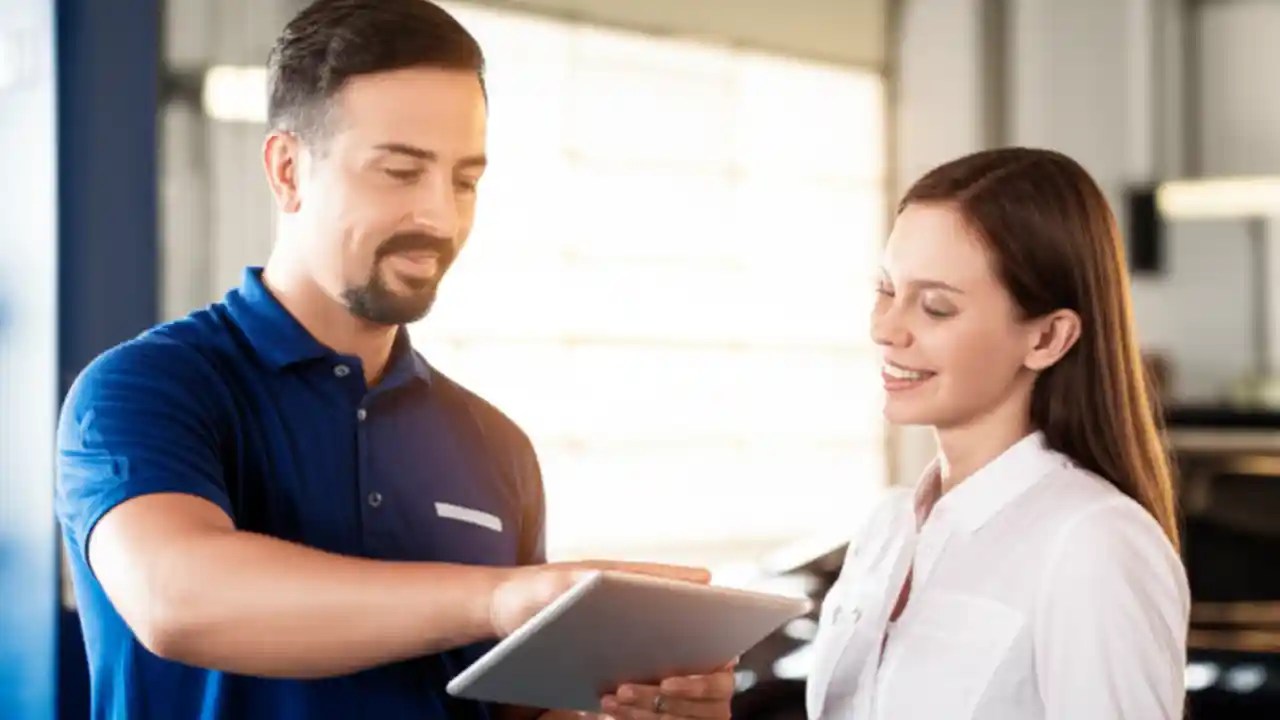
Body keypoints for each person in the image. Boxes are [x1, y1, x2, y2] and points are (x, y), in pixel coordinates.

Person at [54, 1, 734, 719]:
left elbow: (512, 708)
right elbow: (176, 599)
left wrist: (640, 706)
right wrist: (495, 598)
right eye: (400, 172)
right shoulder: (146, 390)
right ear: (288, 170)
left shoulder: (495, 447)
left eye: (464, 181)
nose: (440, 217)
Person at [806, 148, 1190, 719]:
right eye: (886, 290)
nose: (885, 328)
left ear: (1047, 338)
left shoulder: (1092, 542)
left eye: (936, 307)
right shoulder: (884, 530)